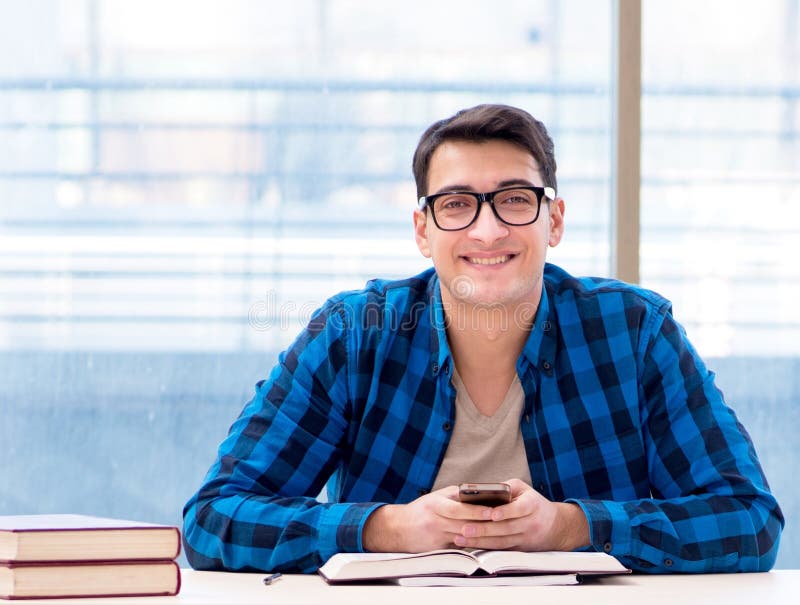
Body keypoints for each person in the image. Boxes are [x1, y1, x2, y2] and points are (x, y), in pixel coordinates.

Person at [182, 104, 784, 574]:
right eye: (457, 204)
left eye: (515, 200)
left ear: (555, 220)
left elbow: (749, 522)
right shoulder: (351, 335)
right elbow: (213, 519)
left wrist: (571, 527)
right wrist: (388, 530)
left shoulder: (636, 331)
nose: (488, 229)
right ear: (423, 228)